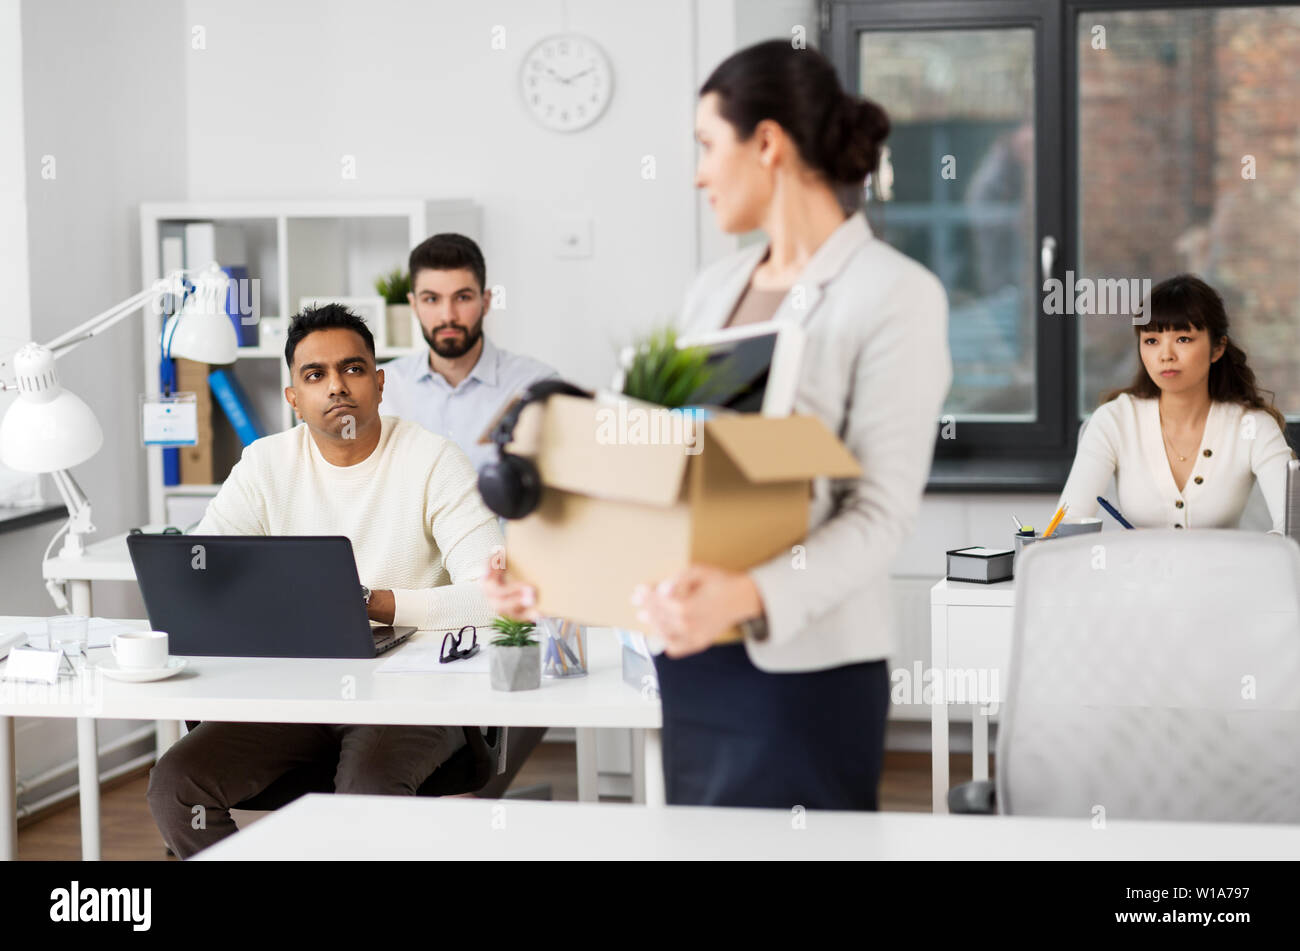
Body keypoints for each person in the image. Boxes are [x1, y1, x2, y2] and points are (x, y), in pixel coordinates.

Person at [484, 39, 951, 811]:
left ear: (766, 142)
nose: (698, 172)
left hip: (804, 670)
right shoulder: (714, 289)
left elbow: (880, 515)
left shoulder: (894, 294)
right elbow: (661, 473)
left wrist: (746, 594)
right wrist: (549, 566)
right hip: (692, 657)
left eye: (707, 145)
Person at [146, 303, 503, 858]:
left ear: (380, 383)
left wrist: (373, 603)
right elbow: (204, 570)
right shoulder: (264, 465)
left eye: (353, 369)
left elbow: (492, 597)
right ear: (294, 398)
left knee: (364, 794)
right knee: (176, 786)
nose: (337, 386)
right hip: (293, 692)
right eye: (315, 375)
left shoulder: (434, 461)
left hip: (408, 695)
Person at [1058, 273, 1292, 531]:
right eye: (1151, 341)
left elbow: (1294, 527)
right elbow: (1068, 525)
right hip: (1135, 571)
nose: (1165, 355)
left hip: (1225, 571)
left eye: (1183, 339)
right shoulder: (1114, 420)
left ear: (1217, 348)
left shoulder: (1253, 427)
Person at [379, 233, 557, 472]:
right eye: (431, 299)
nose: (448, 316)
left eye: (462, 297)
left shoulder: (535, 386)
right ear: (414, 305)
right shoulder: (383, 389)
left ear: (486, 302)